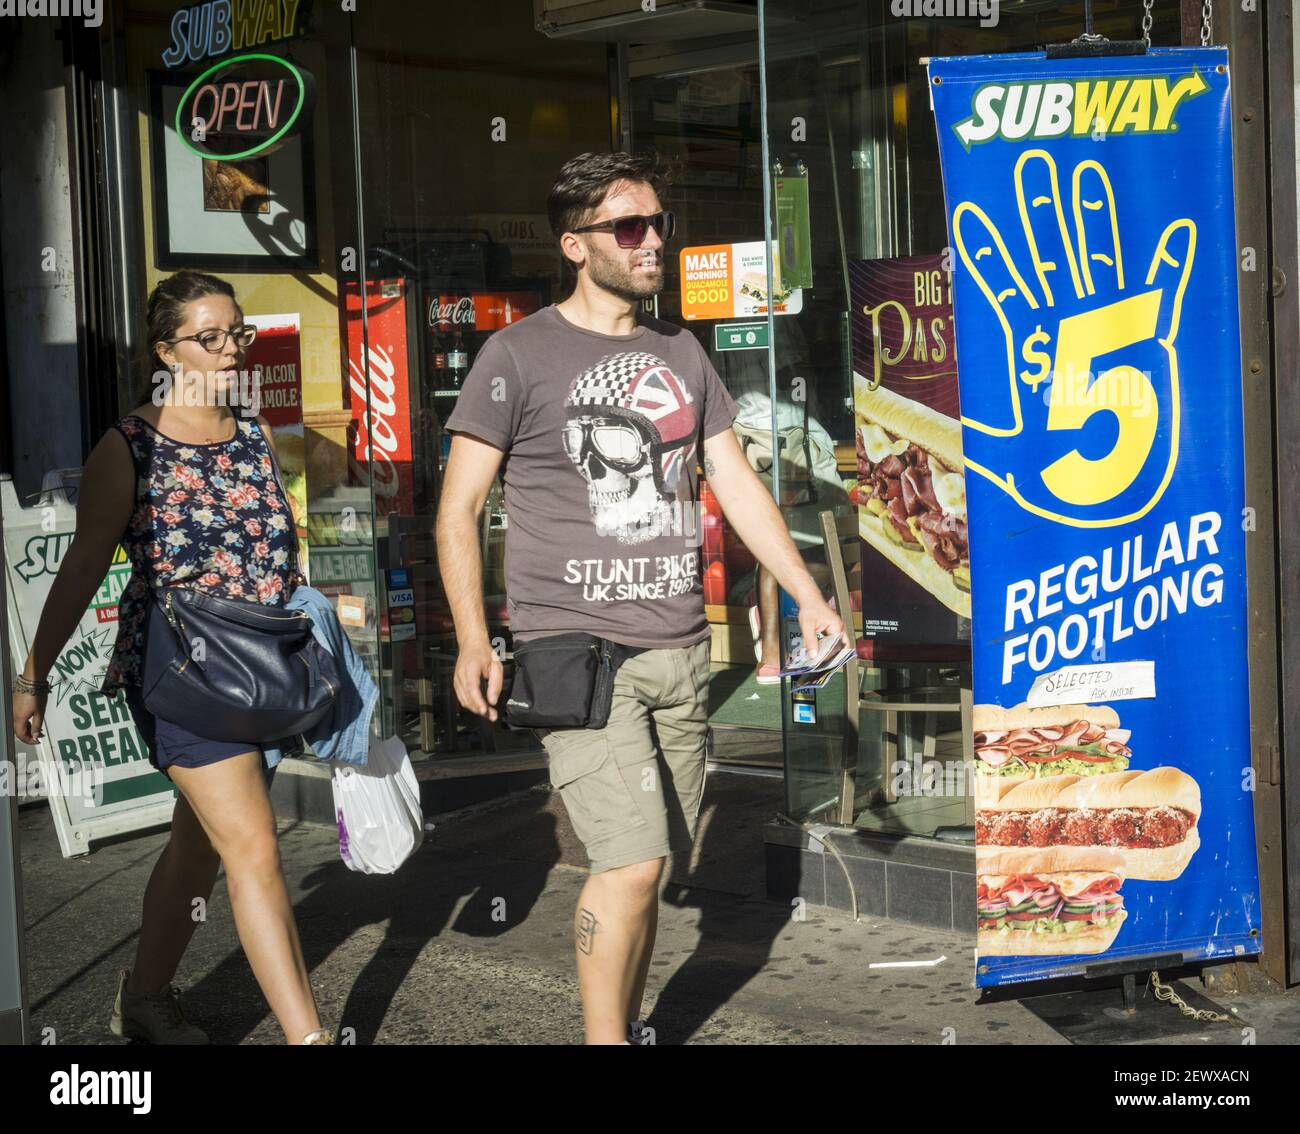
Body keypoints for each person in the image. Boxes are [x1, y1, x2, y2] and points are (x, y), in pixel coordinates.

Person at [437, 151, 845, 1044]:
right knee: (628, 862)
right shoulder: (518, 356)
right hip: (579, 656)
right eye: (631, 227)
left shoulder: (681, 351)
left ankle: (619, 1025)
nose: (654, 240)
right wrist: (474, 637)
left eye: (658, 223)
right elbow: (458, 507)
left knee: (653, 868)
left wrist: (806, 594)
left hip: (678, 650)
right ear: (575, 244)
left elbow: (735, 484)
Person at [10, 271, 333, 1045]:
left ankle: (145, 999)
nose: (231, 350)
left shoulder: (254, 430)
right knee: (253, 845)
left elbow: (278, 556)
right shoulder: (128, 447)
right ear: (166, 349)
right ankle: (309, 1038)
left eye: (237, 334)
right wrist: (32, 675)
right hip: (183, 674)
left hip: (262, 672)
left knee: (198, 842)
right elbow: (83, 567)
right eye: (210, 337)